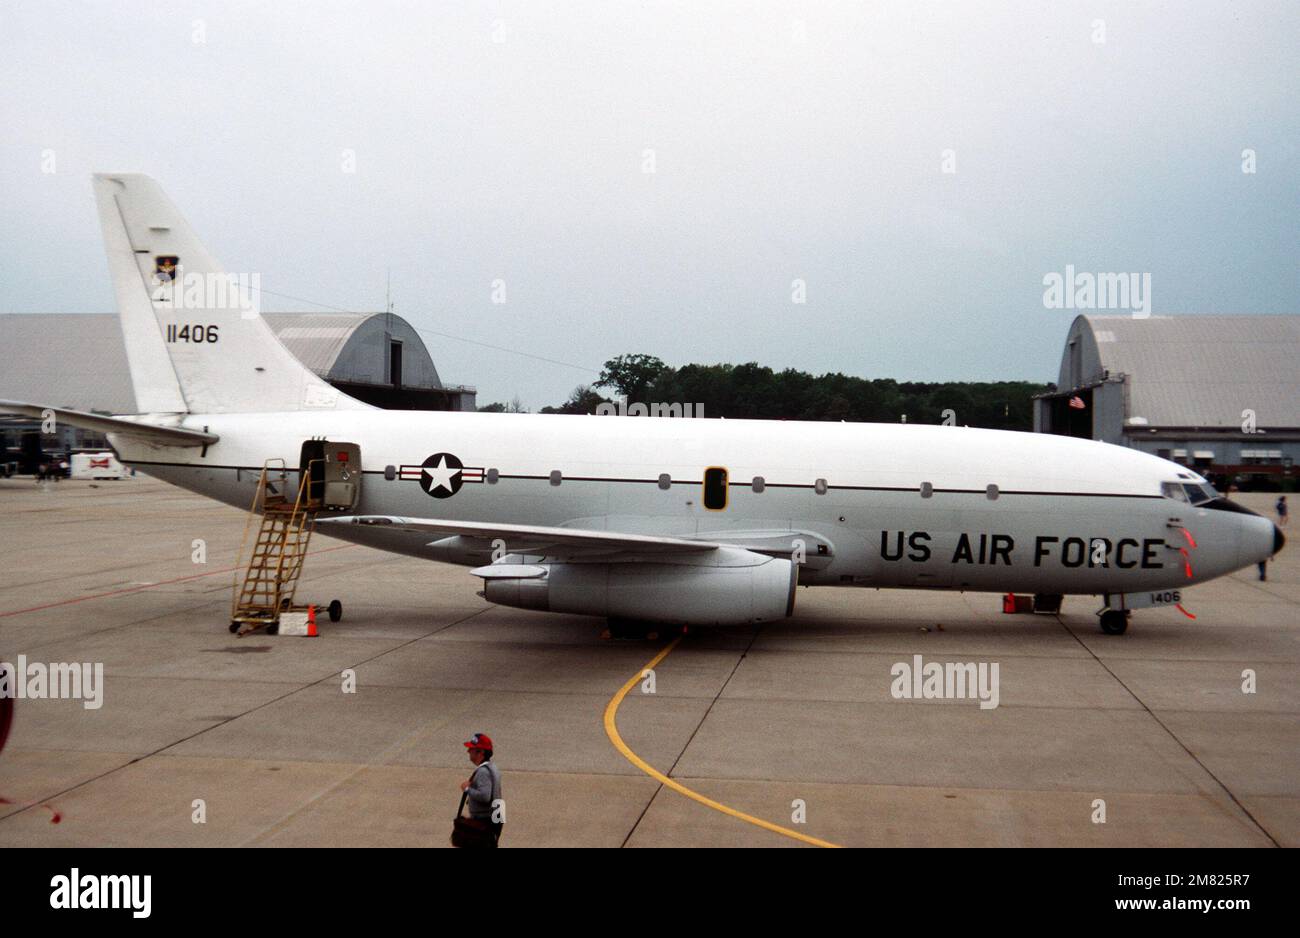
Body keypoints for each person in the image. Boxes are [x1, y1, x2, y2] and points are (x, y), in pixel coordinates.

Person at [460, 732, 503, 846]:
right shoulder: (492, 767)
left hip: (484, 820)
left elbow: (485, 796)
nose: (468, 751)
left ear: (481, 752)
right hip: (495, 816)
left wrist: (467, 788)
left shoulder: (483, 772)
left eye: (472, 749)